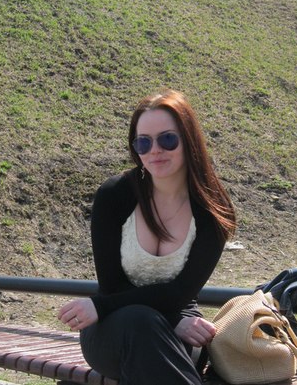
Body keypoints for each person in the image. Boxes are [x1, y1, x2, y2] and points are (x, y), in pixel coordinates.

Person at [58, 89, 236, 384]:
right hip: (114, 326)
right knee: (140, 321)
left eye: (167, 140)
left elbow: (182, 291)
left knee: (150, 335)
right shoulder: (114, 195)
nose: (154, 151)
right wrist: (168, 318)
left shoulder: (212, 208)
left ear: (189, 140)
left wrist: (174, 319)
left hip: (178, 323)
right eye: (143, 142)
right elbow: (112, 286)